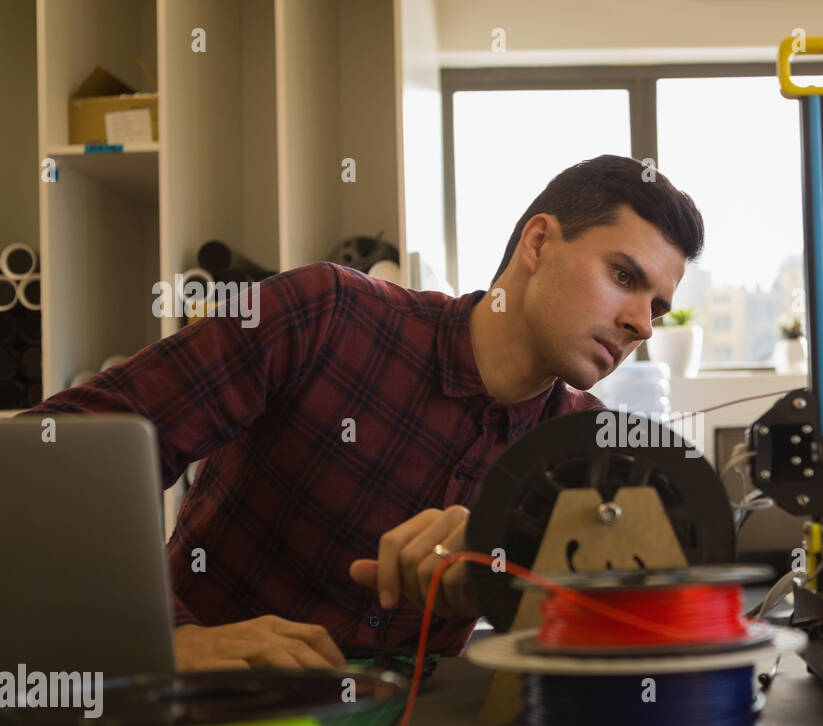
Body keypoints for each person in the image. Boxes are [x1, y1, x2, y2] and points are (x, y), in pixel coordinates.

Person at [24, 155, 704, 671]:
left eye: (657, 308)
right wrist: (172, 641)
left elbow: (616, 631)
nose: (640, 323)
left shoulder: (581, 449)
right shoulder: (324, 314)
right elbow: (51, 458)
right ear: (537, 244)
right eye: (623, 277)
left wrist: (499, 580)